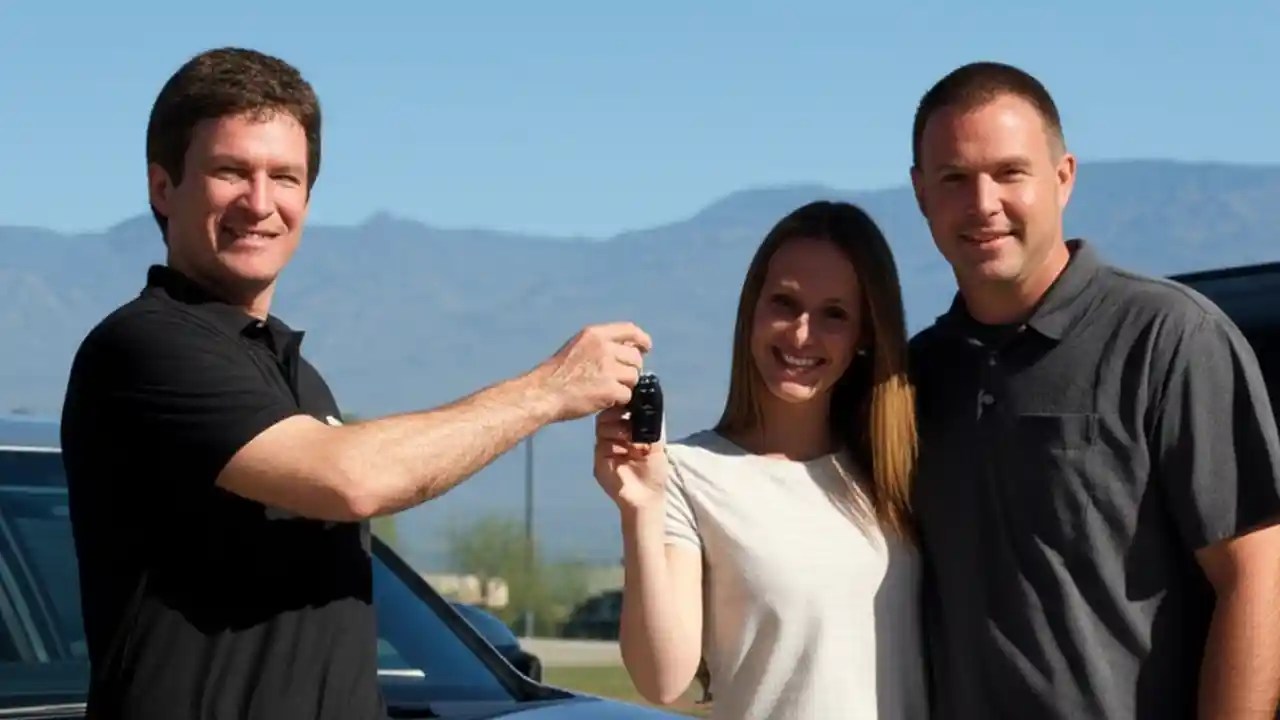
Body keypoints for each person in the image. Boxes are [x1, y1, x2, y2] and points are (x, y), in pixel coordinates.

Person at [59, 47, 651, 720]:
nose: (260, 202)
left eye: (284, 176)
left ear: (308, 196)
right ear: (162, 188)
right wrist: (548, 391)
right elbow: (352, 478)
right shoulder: (145, 347)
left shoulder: (296, 381)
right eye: (230, 172)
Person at [907, 61, 1280, 719]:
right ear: (920, 194)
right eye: (955, 179)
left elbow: (1255, 574)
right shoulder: (914, 378)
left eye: (1010, 173)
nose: (983, 203)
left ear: (1063, 177)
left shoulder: (1167, 338)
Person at [593, 200, 928, 720]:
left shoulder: (897, 470)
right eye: (785, 303)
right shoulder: (687, 473)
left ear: (865, 334)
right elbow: (662, 679)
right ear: (752, 309)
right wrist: (640, 507)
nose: (801, 334)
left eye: (833, 314)